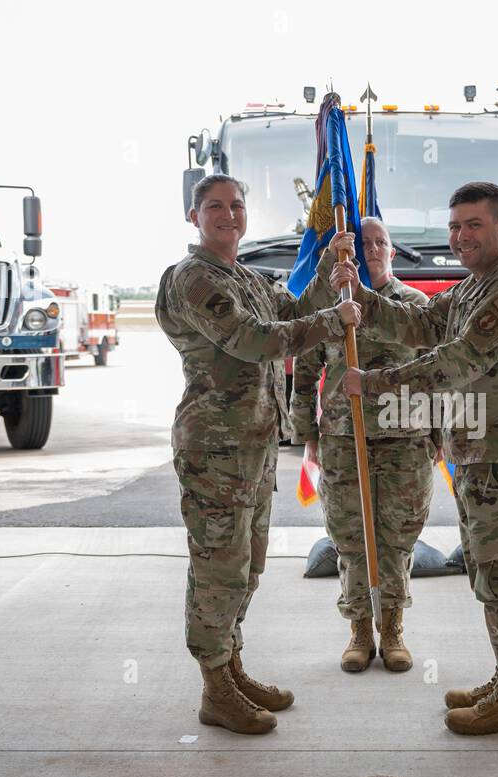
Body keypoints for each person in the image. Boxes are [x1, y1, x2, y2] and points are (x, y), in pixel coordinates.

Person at [330, 181, 498, 736]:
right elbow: (426, 324)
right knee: (490, 570)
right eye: (454, 226)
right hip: (484, 458)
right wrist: (359, 297)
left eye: (473, 225)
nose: (460, 237)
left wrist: (376, 382)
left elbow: (455, 360)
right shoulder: (476, 287)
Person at [156, 173, 356, 735]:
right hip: (214, 448)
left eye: (237, 206)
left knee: (247, 566)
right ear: (194, 217)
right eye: (214, 206)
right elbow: (254, 339)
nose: (228, 214)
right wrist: (329, 322)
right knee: (218, 568)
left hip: (254, 446)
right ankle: (214, 687)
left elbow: (291, 310)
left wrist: (329, 271)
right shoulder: (192, 278)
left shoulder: (246, 276)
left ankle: (232, 666)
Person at [290, 217, 436, 673]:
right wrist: (307, 436)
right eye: (363, 243)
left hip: (404, 441)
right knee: (351, 537)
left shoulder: (414, 305)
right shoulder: (334, 308)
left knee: (396, 537)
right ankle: (358, 630)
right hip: (342, 439)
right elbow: (304, 372)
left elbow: (437, 374)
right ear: (347, 254)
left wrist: (438, 434)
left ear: (392, 252)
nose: (371, 249)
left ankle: (391, 628)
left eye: (380, 242)